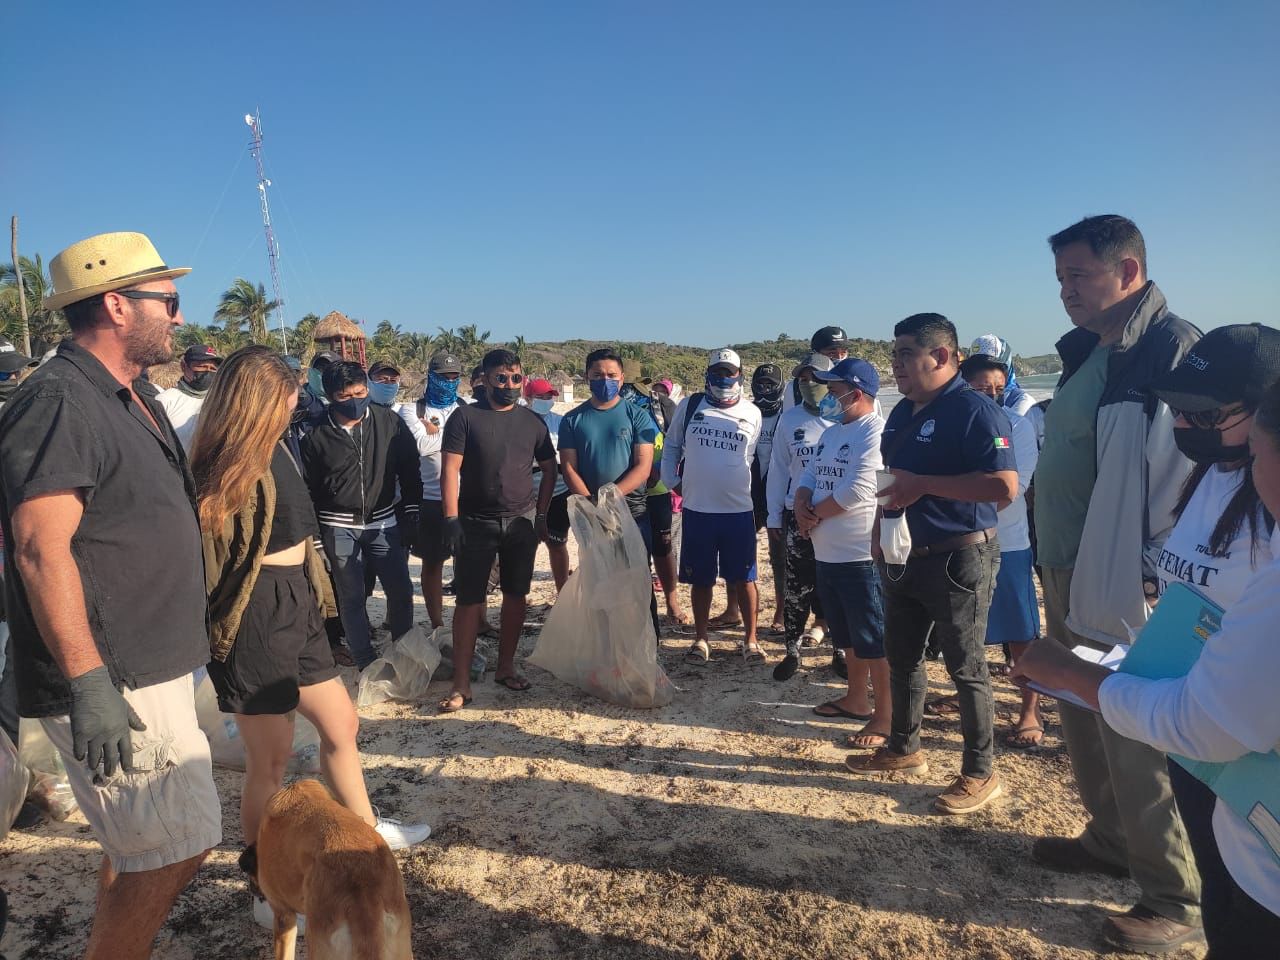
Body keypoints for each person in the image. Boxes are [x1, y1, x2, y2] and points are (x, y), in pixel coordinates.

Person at [0, 231, 220, 959]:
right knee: (177, 846)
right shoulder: (61, 399)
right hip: (115, 679)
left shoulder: (127, 397)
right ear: (118, 305)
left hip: (153, 665)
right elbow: (38, 545)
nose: (180, 318)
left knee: (142, 844)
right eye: (170, 301)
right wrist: (88, 679)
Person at [1014, 366, 1280, 960]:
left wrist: (1078, 677)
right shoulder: (1211, 478)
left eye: (1203, 414)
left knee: (1243, 911)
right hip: (1204, 734)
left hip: (1235, 764)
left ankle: (1174, 902)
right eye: (1177, 411)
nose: (1183, 426)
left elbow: (1206, 722)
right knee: (1222, 885)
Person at [193, 347, 430, 928]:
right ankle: (262, 883)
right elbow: (206, 561)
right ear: (257, 402)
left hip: (297, 602)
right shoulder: (225, 464)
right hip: (254, 618)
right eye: (288, 393)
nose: (299, 400)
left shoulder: (278, 446)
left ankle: (366, 830)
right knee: (268, 766)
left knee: (341, 725)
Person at [1030, 215, 1203, 952]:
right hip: (1068, 568)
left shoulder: (1169, 350)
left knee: (1135, 728)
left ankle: (1175, 899)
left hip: (1126, 579)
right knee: (1082, 714)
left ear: (1128, 272)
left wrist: (1157, 574)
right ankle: (1108, 839)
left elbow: (1183, 475)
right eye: (1060, 278)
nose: (1065, 291)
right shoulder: (1088, 351)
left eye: (1079, 276)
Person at [845, 313, 1016, 817]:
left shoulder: (975, 411)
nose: (893, 365)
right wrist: (879, 529)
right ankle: (904, 748)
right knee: (902, 657)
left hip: (959, 557)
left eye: (903, 354)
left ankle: (981, 772)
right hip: (903, 555)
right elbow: (891, 480)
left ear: (940, 356)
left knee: (966, 667)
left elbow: (1004, 488)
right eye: (893, 354)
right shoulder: (902, 413)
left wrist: (925, 485)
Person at [439, 349, 556, 712]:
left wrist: (541, 514)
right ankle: (461, 682)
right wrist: (451, 518)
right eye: (501, 378)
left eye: (515, 378)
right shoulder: (465, 417)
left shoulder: (532, 422)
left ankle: (505, 667)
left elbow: (550, 469)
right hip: (475, 523)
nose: (509, 385)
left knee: (516, 595)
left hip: (520, 523)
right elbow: (449, 471)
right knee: (469, 600)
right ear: (485, 380)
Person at [793, 358, 891, 748]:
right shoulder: (833, 432)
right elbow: (810, 474)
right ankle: (856, 698)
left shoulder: (874, 431)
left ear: (857, 392)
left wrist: (812, 516)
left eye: (834, 392)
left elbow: (858, 490)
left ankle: (885, 715)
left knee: (873, 637)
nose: (829, 398)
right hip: (826, 553)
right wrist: (801, 503)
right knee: (846, 634)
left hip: (859, 554)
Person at [300, 361, 422, 670]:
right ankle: (364, 659)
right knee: (351, 596)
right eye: (345, 396)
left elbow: (410, 467)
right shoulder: (315, 435)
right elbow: (307, 489)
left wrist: (411, 507)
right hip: (337, 526)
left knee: (400, 590)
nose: (355, 400)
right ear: (329, 396)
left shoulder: (389, 422)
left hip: (384, 521)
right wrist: (314, 536)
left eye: (361, 391)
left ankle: (402, 651)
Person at [959, 352, 1043, 747]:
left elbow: (1013, 490)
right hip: (960, 541)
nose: (992, 396)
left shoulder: (1017, 427)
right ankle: (976, 705)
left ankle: (1030, 710)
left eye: (998, 388)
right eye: (981, 388)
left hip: (1007, 544)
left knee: (1022, 632)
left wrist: (956, 505)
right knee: (965, 632)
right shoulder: (953, 426)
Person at [660, 348, 764, 665]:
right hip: (698, 510)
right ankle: (701, 639)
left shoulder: (753, 412)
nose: (724, 378)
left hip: (738, 510)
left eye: (729, 372)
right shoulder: (690, 405)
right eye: (718, 372)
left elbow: (752, 458)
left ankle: (751, 640)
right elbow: (672, 446)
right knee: (701, 579)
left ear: (739, 375)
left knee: (745, 578)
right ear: (708, 374)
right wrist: (671, 481)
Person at [559, 349, 659, 630]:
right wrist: (592, 505)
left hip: (632, 511)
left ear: (622, 377)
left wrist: (610, 497)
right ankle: (605, 648)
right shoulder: (572, 419)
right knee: (599, 581)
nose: (605, 380)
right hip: (590, 514)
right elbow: (568, 467)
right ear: (586, 378)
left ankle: (646, 649)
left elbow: (643, 466)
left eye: (611, 375)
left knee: (637, 577)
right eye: (598, 375)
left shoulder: (637, 415)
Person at [767, 353, 834, 680]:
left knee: (835, 586)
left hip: (838, 517)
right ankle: (791, 651)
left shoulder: (845, 416)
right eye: (802, 378)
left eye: (815, 378)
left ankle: (840, 651)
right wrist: (773, 515)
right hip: (798, 515)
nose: (808, 384)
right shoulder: (790, 419)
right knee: (797, 588)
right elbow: (778, 470)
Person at [400, 350, 465, 627]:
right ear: (431, 376)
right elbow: (419, 446)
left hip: (467, 499)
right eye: (443, 377)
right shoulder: (411, 410)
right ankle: (437, 622)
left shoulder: (467, 405)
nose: (449, 382)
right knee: (433, 563)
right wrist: (459, 437)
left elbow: (479, 444)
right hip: (430, 500)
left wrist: (435, 433)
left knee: (470, 564)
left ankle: (480, 619)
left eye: (454, 377)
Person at [525, 377, 572, 591]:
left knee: (557, 543)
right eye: (540, 397)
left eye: (548, 397)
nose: (545, 400)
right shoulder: (519, 421)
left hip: (559, 491)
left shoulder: (560, 421)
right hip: (528, 494)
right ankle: (519, 592)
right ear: (528, 398)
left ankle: (562, 592)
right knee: (525, 546)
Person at [155, 343, 222, 452]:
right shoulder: (164, 400)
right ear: (183, 366)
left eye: (213, 368)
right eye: (201, 366)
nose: (207, 371)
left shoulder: (219, 403)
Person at [782, 326, 850, 410]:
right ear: (816, 353)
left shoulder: (858, 383)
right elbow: (789, 418)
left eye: (843, 353)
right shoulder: (795, 387)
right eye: (832, 353)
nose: (839, 358)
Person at [967, 334, 1035, 416]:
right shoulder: (968, 396)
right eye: (977, 366)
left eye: (991, 366)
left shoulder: (1022, 403)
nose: (983, 372)